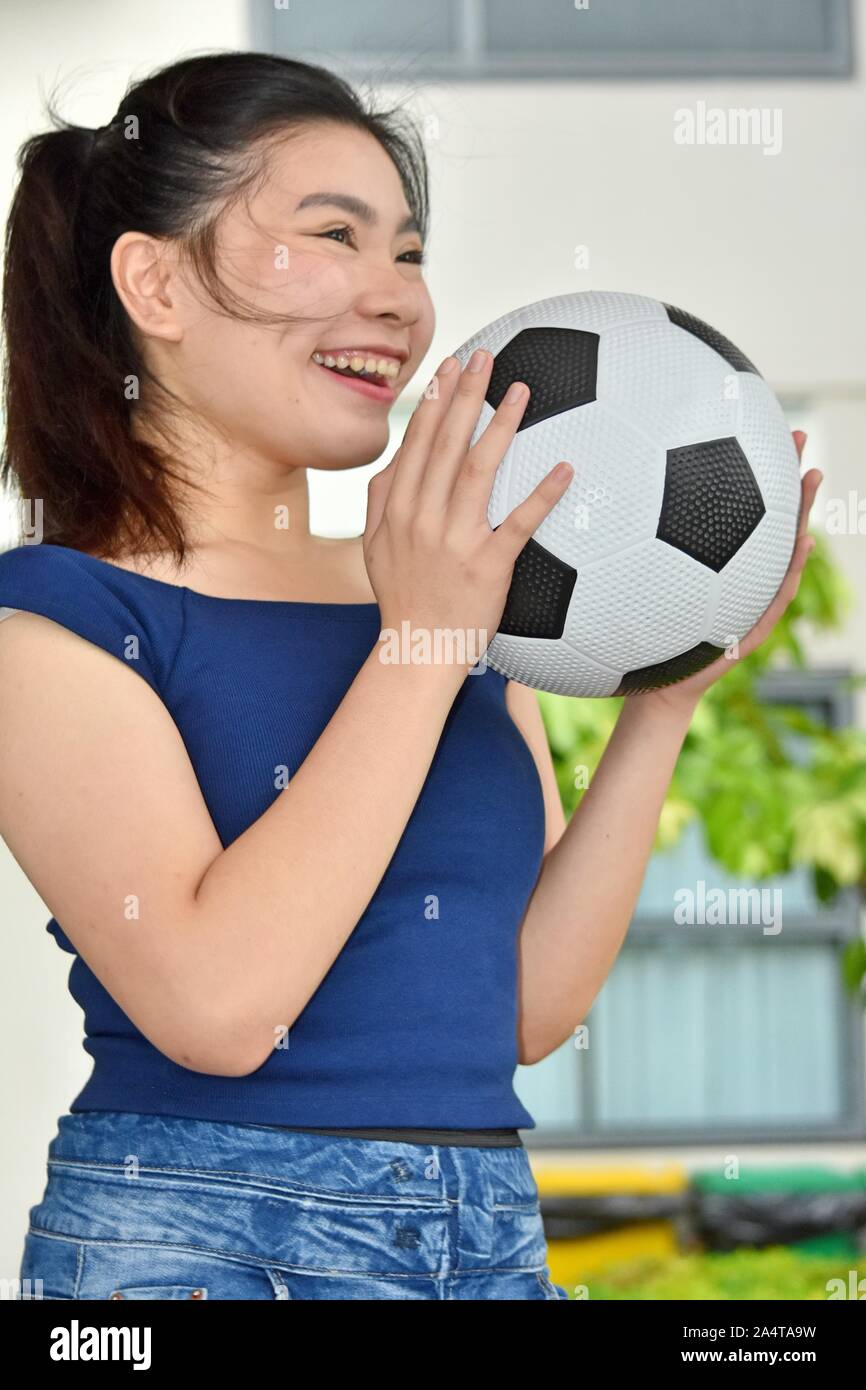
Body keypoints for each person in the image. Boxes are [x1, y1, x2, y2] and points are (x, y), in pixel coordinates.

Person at [0, 51, 819, 1301]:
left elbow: (524, 1011)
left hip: (487, 1231)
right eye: (334, 236)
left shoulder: (452, 588)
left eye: (410, 254)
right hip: (206, 1244)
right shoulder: (56, 620)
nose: (397, 301)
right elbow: (218, 1009)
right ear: (152, 281)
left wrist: (660, 712)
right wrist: (422, 644)